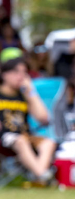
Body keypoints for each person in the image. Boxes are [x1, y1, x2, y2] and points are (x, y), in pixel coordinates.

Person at [0, 51, 56, 181]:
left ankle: (39, 174)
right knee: (20, 141)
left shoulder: (24, 95)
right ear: (5, 74)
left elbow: (44, 118)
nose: (21, 77)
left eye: (24, 73)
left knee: (49, 142)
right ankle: (42, 175)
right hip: (5, 138)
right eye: (17, 72)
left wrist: (31, 92)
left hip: (25, 135)